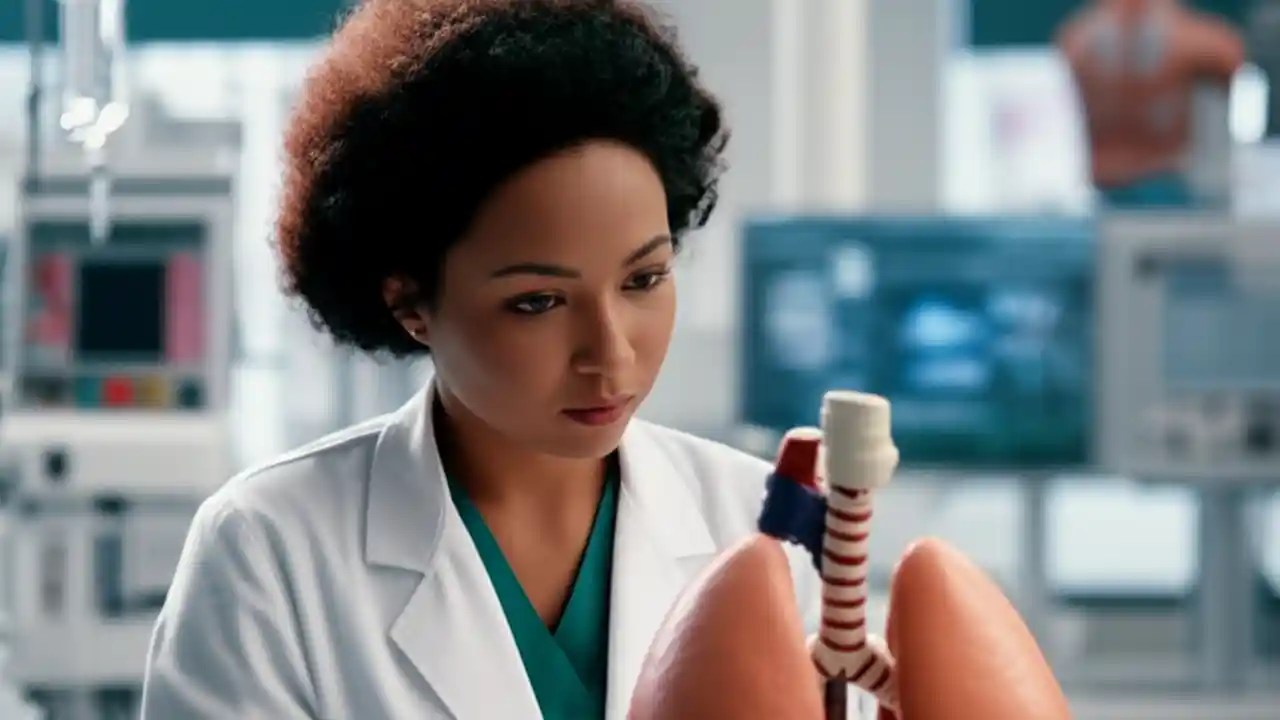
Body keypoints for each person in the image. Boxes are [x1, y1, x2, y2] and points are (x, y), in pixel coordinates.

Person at [138, 1, 818, 718]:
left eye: (643, 280)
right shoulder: (269, 551)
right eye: (537, 302)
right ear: (410, 303)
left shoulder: (762, 520)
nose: (611, 354)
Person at [1057, 0, 1245, 207]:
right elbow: (1229, 56)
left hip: (1123, 185)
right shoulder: (1189, 38)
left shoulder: (1079, 36)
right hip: (1151, 182)